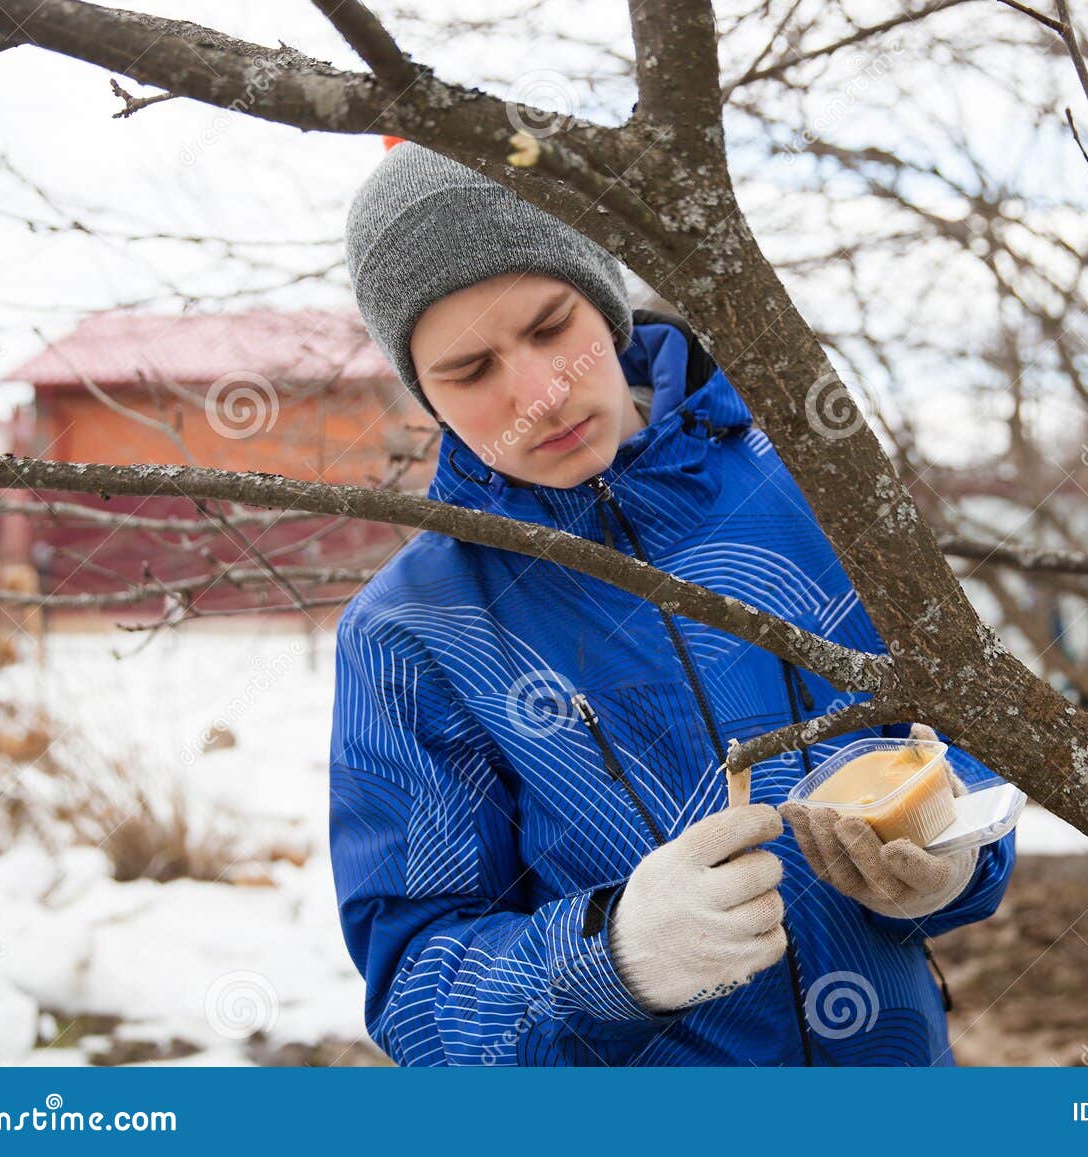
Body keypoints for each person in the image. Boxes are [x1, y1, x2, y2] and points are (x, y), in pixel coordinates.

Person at [331, 141, 1016, 1066]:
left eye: (548, 327)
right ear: (427, 396)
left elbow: (966, 741)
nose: (536, 396)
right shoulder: (413, 628)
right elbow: (414, 985)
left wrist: (953, 857)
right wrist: (610, 958)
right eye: (470, 370)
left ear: (606, 305)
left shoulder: (810, 485)